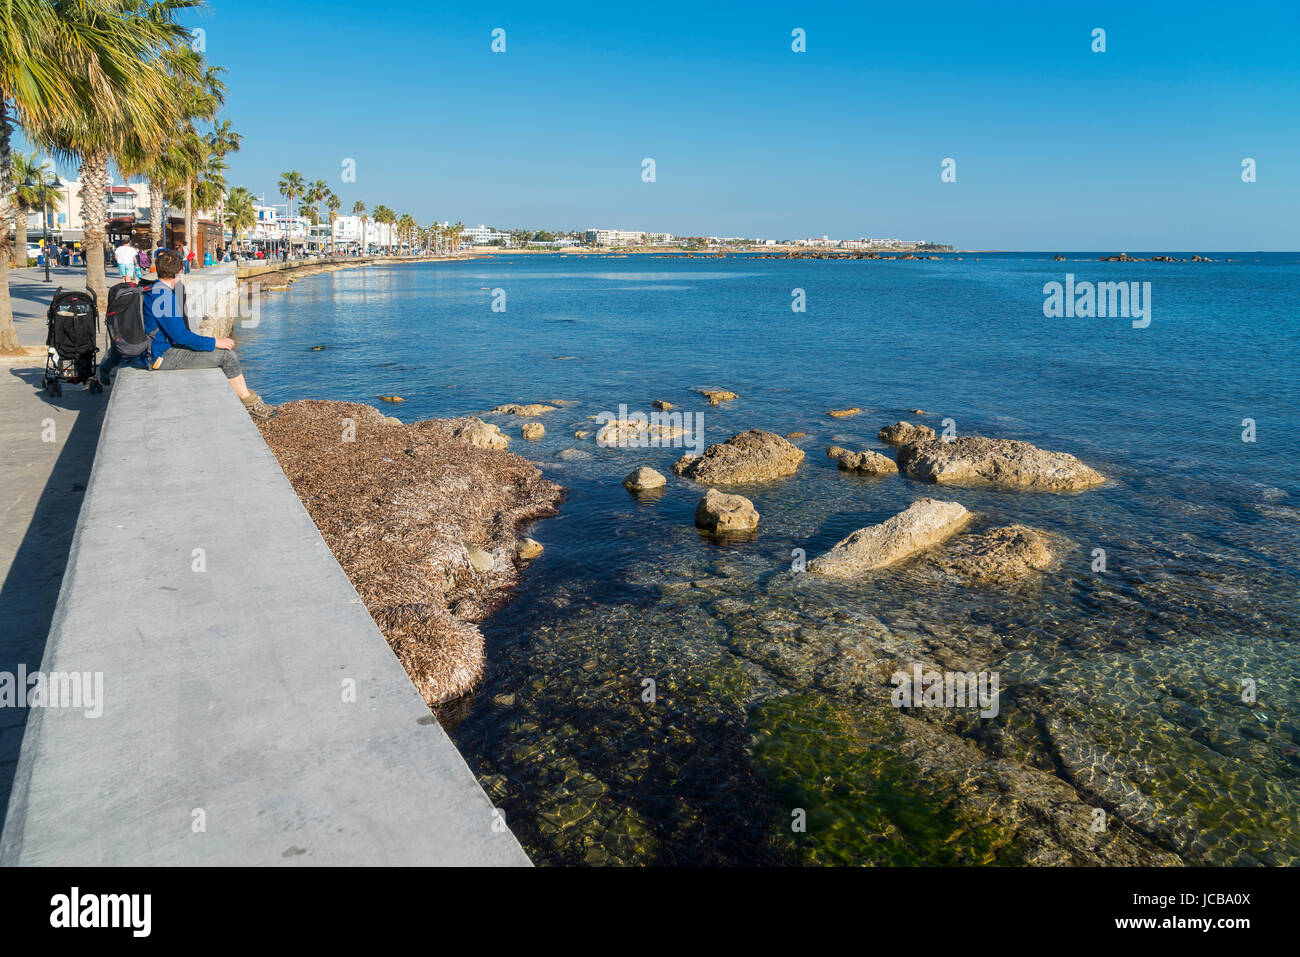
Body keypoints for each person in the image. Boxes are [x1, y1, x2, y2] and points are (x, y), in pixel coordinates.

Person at [140, 249, 278, 419]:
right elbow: (180, 336)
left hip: (158, 351)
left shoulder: (154, 290)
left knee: (224, 354)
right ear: (180, 271)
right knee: (227, 357)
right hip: (162, 357)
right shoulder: (163, 296)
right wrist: (214, 342)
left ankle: (248, 398)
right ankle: (250, 404)